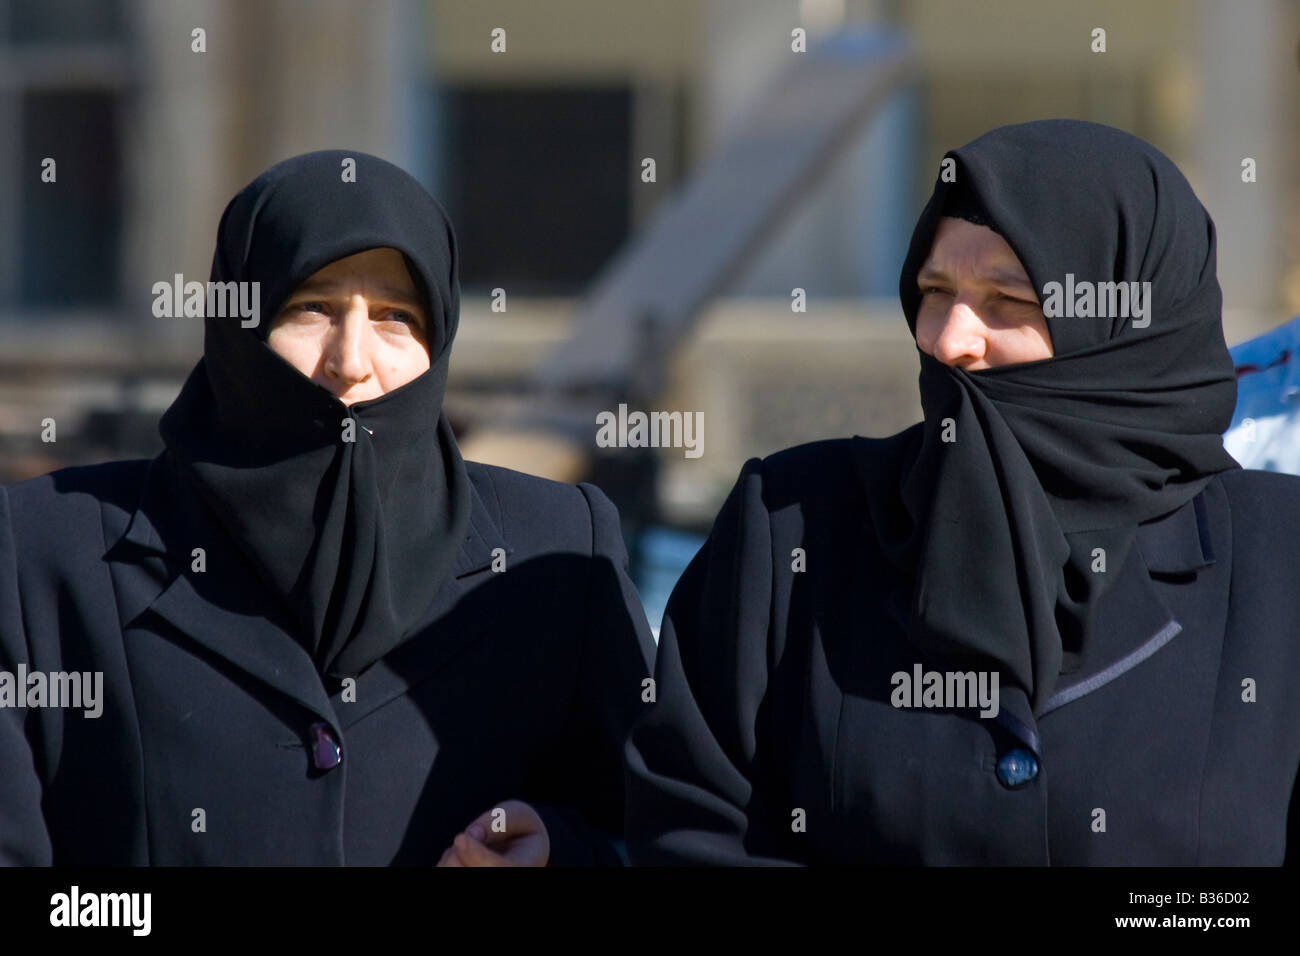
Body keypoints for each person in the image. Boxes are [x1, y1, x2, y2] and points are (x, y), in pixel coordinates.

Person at [625, 120, 1300, 865]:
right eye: (934, 291)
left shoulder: (1279, 562)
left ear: (1125, 328)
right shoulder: (794, 527)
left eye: (1006, 301)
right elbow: (687, 826)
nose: (950, 340)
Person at [0, 150, 655, 866]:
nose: (352, 359)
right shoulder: (49, 552)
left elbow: (660, 834)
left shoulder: (553, 555)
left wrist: (560, 850)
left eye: (395, 315)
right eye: (312, 306)